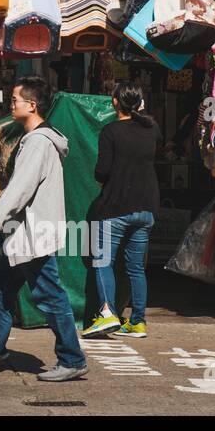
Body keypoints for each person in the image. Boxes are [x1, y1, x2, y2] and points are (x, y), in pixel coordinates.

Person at [0, 76, 88, 382]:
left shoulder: (38, 143)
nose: (10, 103)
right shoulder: (39, 139)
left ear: (32, 104)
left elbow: (18, 191)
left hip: (33, 234)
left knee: (50, 296)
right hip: (24, 233)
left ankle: (72, 358)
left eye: (15, 99)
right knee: (3, 292)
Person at [83, 82, 160, 339]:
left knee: (103, 262)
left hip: (115, 208)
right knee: (136, 268)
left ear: (115, 102)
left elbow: (102, 172)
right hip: (146, 209)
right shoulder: (151, 130)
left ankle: (107, 313)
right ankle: (138, 322)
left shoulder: (111, 131)